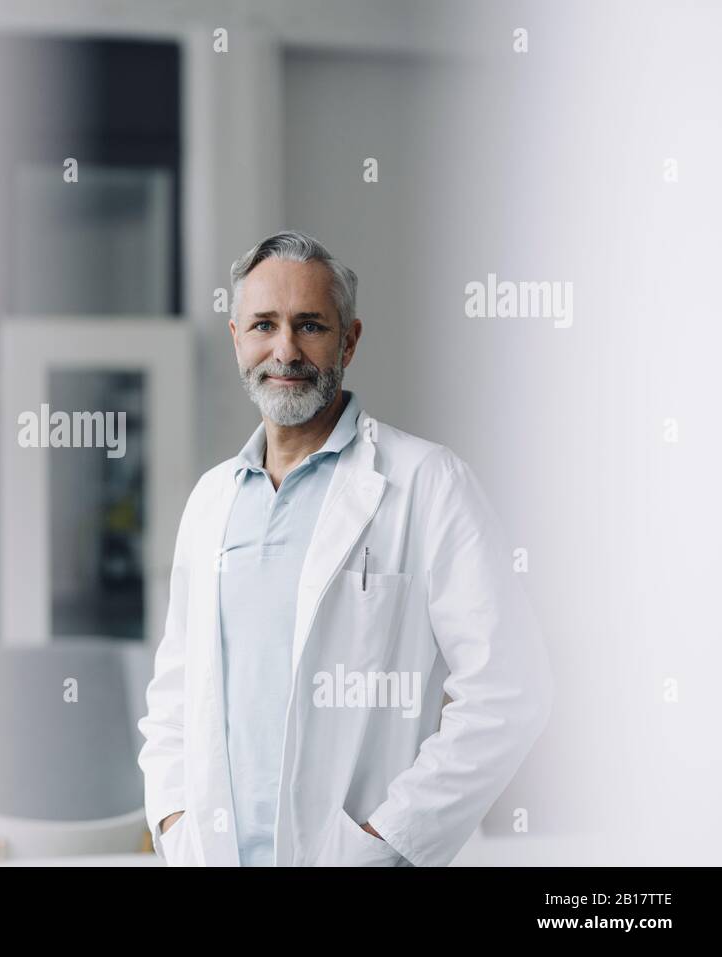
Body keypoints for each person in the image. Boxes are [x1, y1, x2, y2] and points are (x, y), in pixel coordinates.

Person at [138, 229, 553, 866]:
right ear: (235, 340)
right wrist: (175, 824)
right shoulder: (210, 501)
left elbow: (510, 686)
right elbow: (174, 693)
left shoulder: (426, 483)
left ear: (350, 340)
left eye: (310, 325)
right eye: (263, 325)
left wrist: (389, 841)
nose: (285, 350)